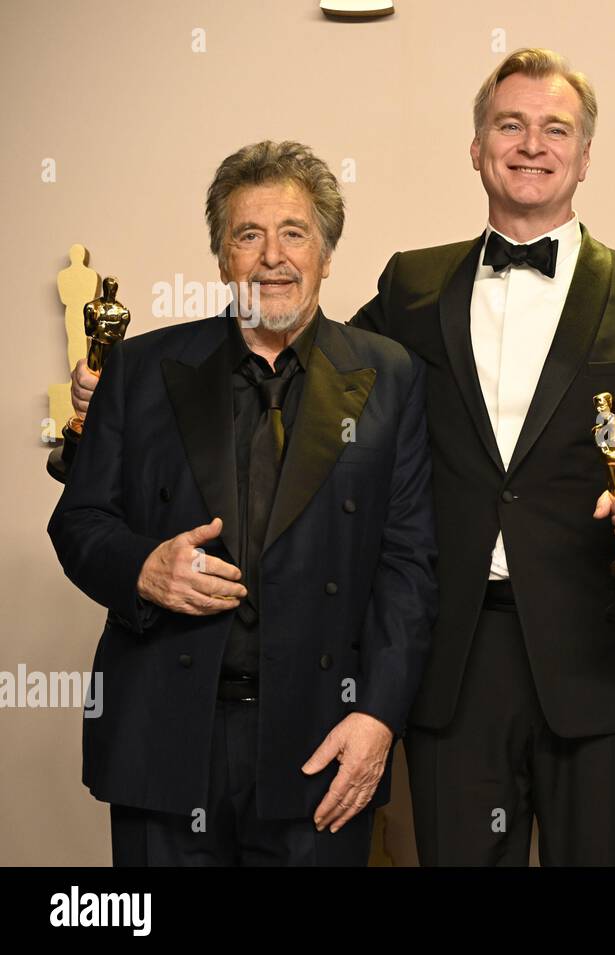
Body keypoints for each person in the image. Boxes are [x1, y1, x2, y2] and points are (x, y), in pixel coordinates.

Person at [347, 49, 615, 865]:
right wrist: (120, 399)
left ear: (585, 156)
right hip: (454, 659)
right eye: (509, 124)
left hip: (607, 654)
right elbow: (322, 394)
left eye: (556, 129)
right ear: (477, 145)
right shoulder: (408, 286)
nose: (531, 144)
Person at [55, 140, 437, 865]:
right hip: (165, 739)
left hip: (322, 740)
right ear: (221, 255)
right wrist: (142, 568)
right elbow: (78, 521)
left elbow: (409, 565)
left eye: (294, 234)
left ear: (326, 254)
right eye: (248, 235)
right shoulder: (141, 370)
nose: (272, 258)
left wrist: (380, 716)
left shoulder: (391, 377)